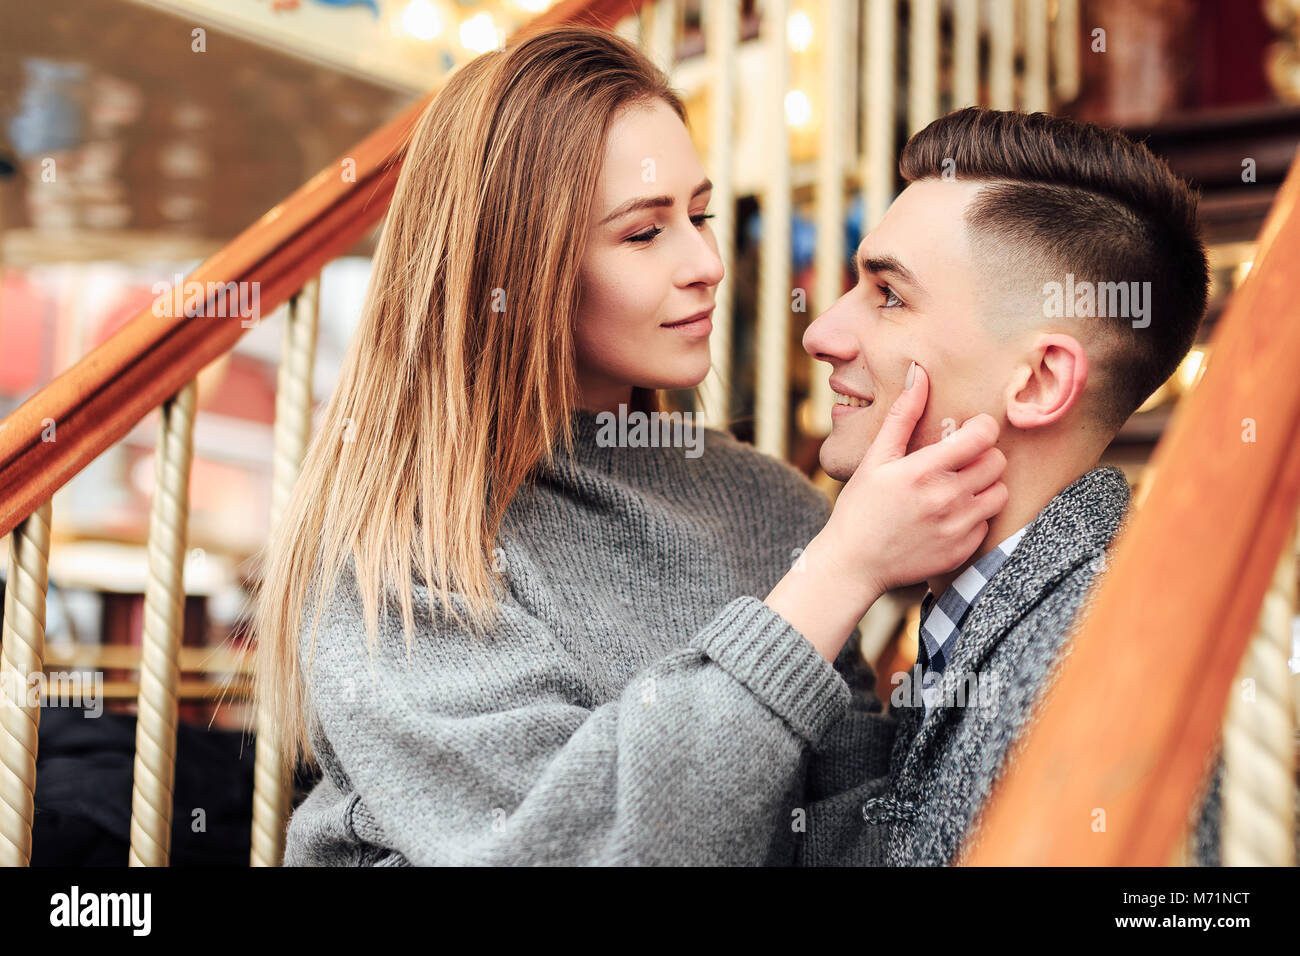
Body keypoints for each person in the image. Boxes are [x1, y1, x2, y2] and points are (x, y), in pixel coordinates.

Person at [249, 26, 1006, 866]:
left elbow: (844, 838)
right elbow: (556, 854)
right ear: (519, 268)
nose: (707, 262)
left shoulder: (773, 505)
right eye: (644, 234)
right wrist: (839, 575)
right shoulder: (400, 551)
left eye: (701, 214)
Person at [798, 107, 1220, 866]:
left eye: (888, 294)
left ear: (1039, 381)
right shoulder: (1005, 621)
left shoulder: (1098, 674)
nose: (821, 332)